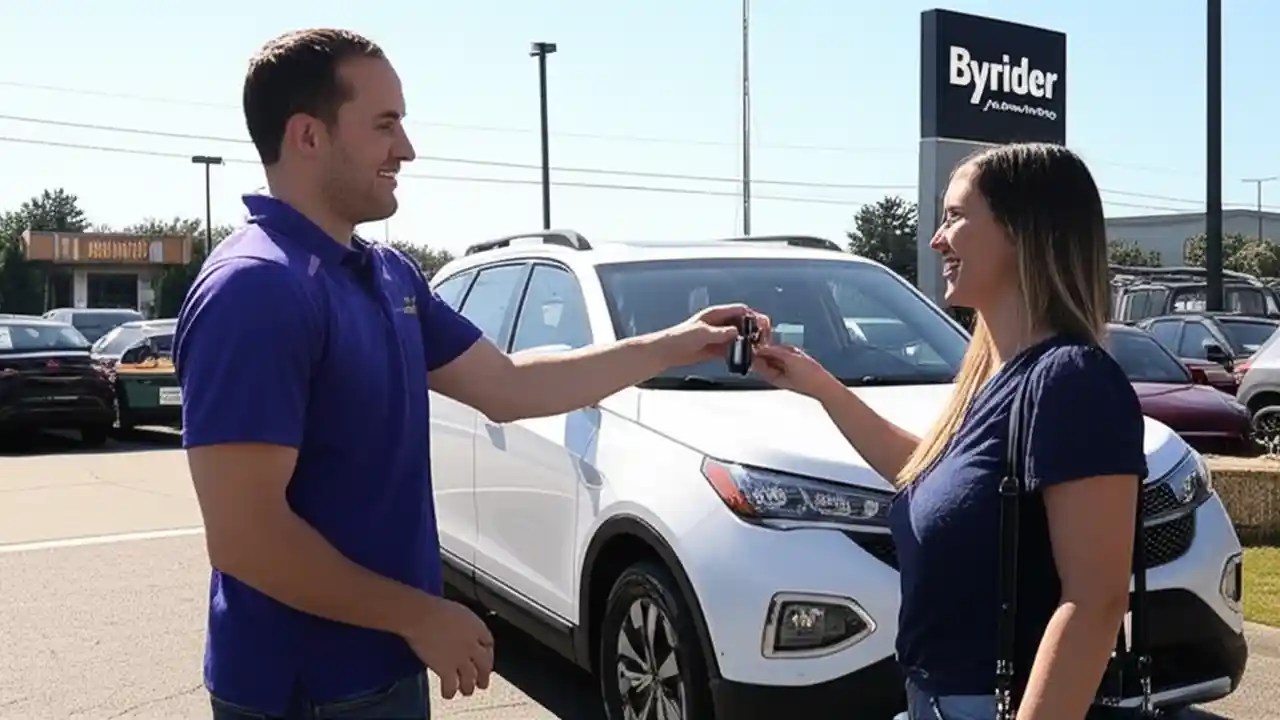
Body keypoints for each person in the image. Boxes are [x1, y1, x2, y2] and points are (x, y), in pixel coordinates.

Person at [174, 28, 768, 720]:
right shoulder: (256, 289)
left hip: (386, 669)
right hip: (301, 692)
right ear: (308, 136)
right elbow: (247, 537)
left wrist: (675, 344)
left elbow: (510, 384)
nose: (407, 148)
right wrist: (420, 616)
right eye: (385, 124)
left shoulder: (386, 274)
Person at [751, 143, 1146, 720]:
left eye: (956, 216)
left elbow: (1095, 601)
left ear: (1023, 231)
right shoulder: (996, 379)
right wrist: (820, 386)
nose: (936, 239)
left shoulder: (1073, 382)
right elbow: (934, 481)